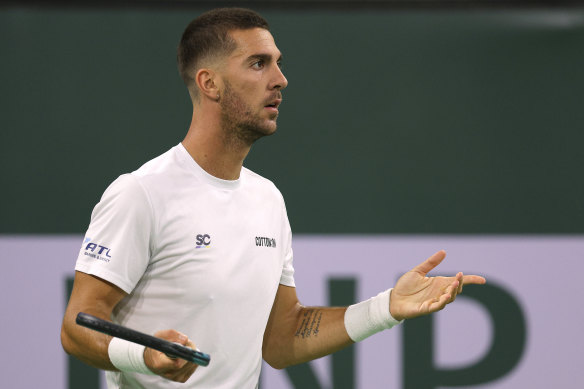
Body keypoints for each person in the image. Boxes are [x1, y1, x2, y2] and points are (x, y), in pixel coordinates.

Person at [60, 7, 486, 389]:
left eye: (278, 64)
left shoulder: (268, 199)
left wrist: (386, 308)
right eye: (258, 64)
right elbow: (77, 326)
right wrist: (144, 355)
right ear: (210, 83)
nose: (280, 79)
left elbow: (281, 341)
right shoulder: (142, 193)